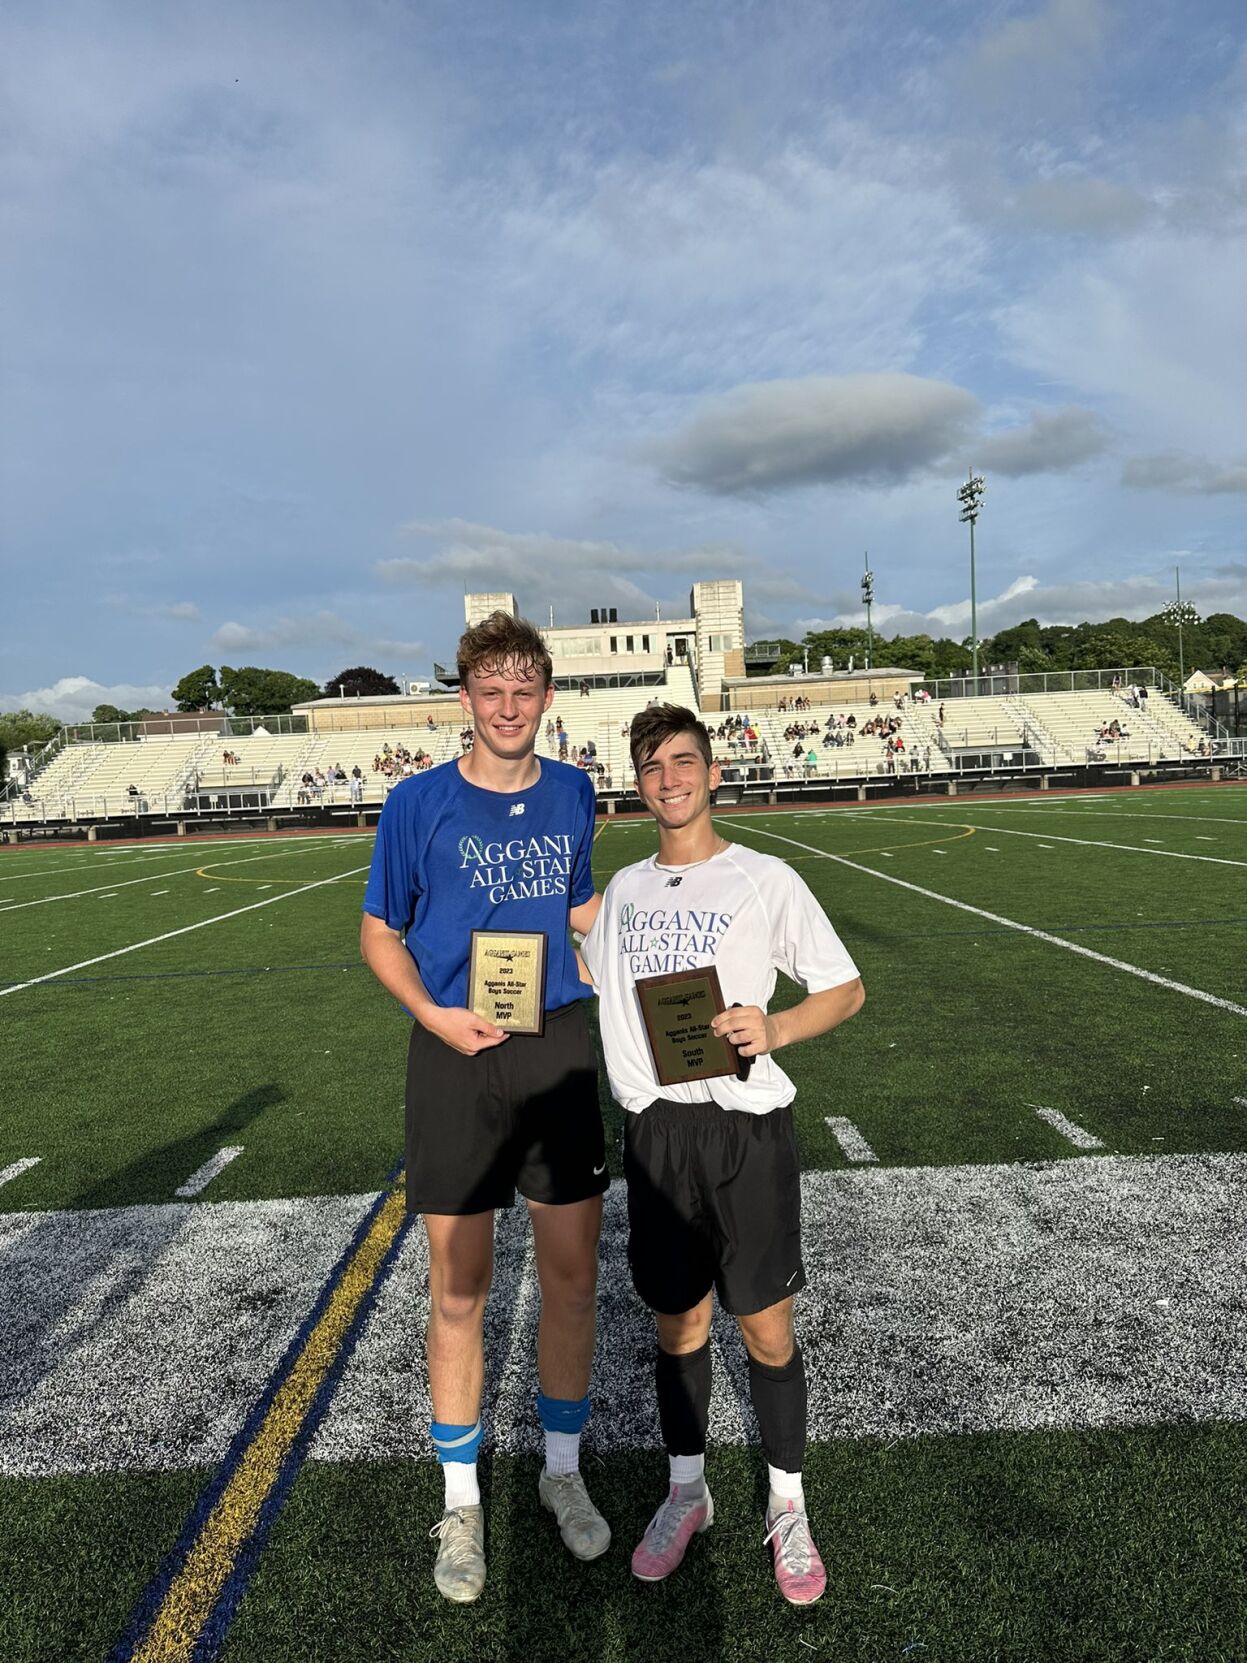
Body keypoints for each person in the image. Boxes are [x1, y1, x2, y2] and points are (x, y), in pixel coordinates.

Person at [581, 704, 864, 1606]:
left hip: (745, 1130)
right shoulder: (622, 892)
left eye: (683, 760)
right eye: (653, 765)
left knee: (765, 1326)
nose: (669, 777)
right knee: (678, 1325)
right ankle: (686, 1490)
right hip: (658, 1132)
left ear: (711, 771)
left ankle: (788, 1504)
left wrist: (772, 1024)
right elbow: (576, 969)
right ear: (638, 782)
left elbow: (846, 988)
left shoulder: (763, 877)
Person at [360, 610, 610, 1605]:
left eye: (525, 689)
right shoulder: (415, 803)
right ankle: (460, 1498)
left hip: (552, 1042)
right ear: (464, 697)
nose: (508, 707)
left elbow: (582, 913)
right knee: (456, 1290)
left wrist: (676, 922)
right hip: (454, 1048)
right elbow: (380, 933)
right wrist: (432, 1010)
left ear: (545, 697)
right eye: (490, 689)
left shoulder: (571, 790)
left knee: (573, 1280)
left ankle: (559, 1469)